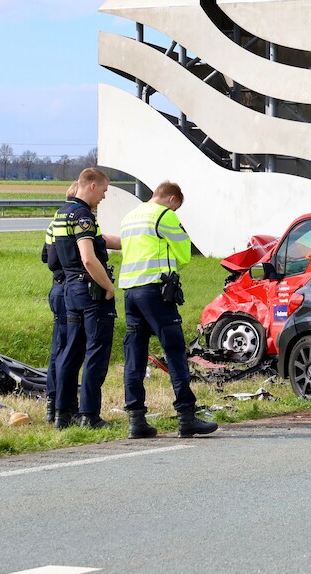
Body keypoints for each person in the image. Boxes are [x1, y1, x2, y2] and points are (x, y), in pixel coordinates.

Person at [118, 181, 217, 438]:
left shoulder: (130, 217)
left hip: (131, 292)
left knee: (135, 356)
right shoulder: (165, 215)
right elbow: (184, 254)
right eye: (178, 206)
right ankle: (186, 417)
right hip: (156, 292)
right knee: (174, 351)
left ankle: (136, 420)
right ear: (172, 199)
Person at [50, 168, 121, 428]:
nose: (103, 197)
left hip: (70, 290)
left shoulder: (61, 214)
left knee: (71, 352)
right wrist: (108, 287)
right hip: (91, 291)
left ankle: (63, 413)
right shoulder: (83, 216)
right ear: (91, 186)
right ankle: (90, 415)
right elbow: (89, 258)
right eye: (103, 191)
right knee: (96, 352)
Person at [39, 182, 78, 423]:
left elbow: (45, 255)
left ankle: (52, 406)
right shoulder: (74, 220)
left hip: (56, 287)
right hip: (68, 288)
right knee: (69, 350)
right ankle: (64, 406)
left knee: (58, 349)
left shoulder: (54, 222)